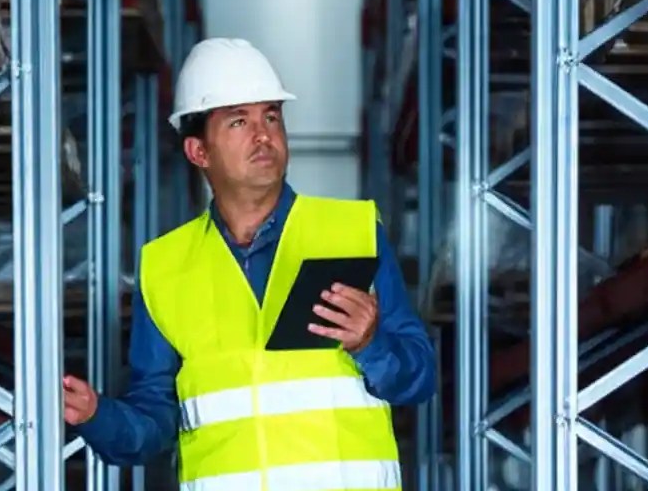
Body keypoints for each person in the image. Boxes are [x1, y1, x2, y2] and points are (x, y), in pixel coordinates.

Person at [64, 37, 437, 491]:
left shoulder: (352, 231)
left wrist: (372, 343)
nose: (264, 136)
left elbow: (419, 377)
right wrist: (96, 416)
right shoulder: (165, 266)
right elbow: (155, 421)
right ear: (198, 152)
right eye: (239, 121)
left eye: (272, 117)